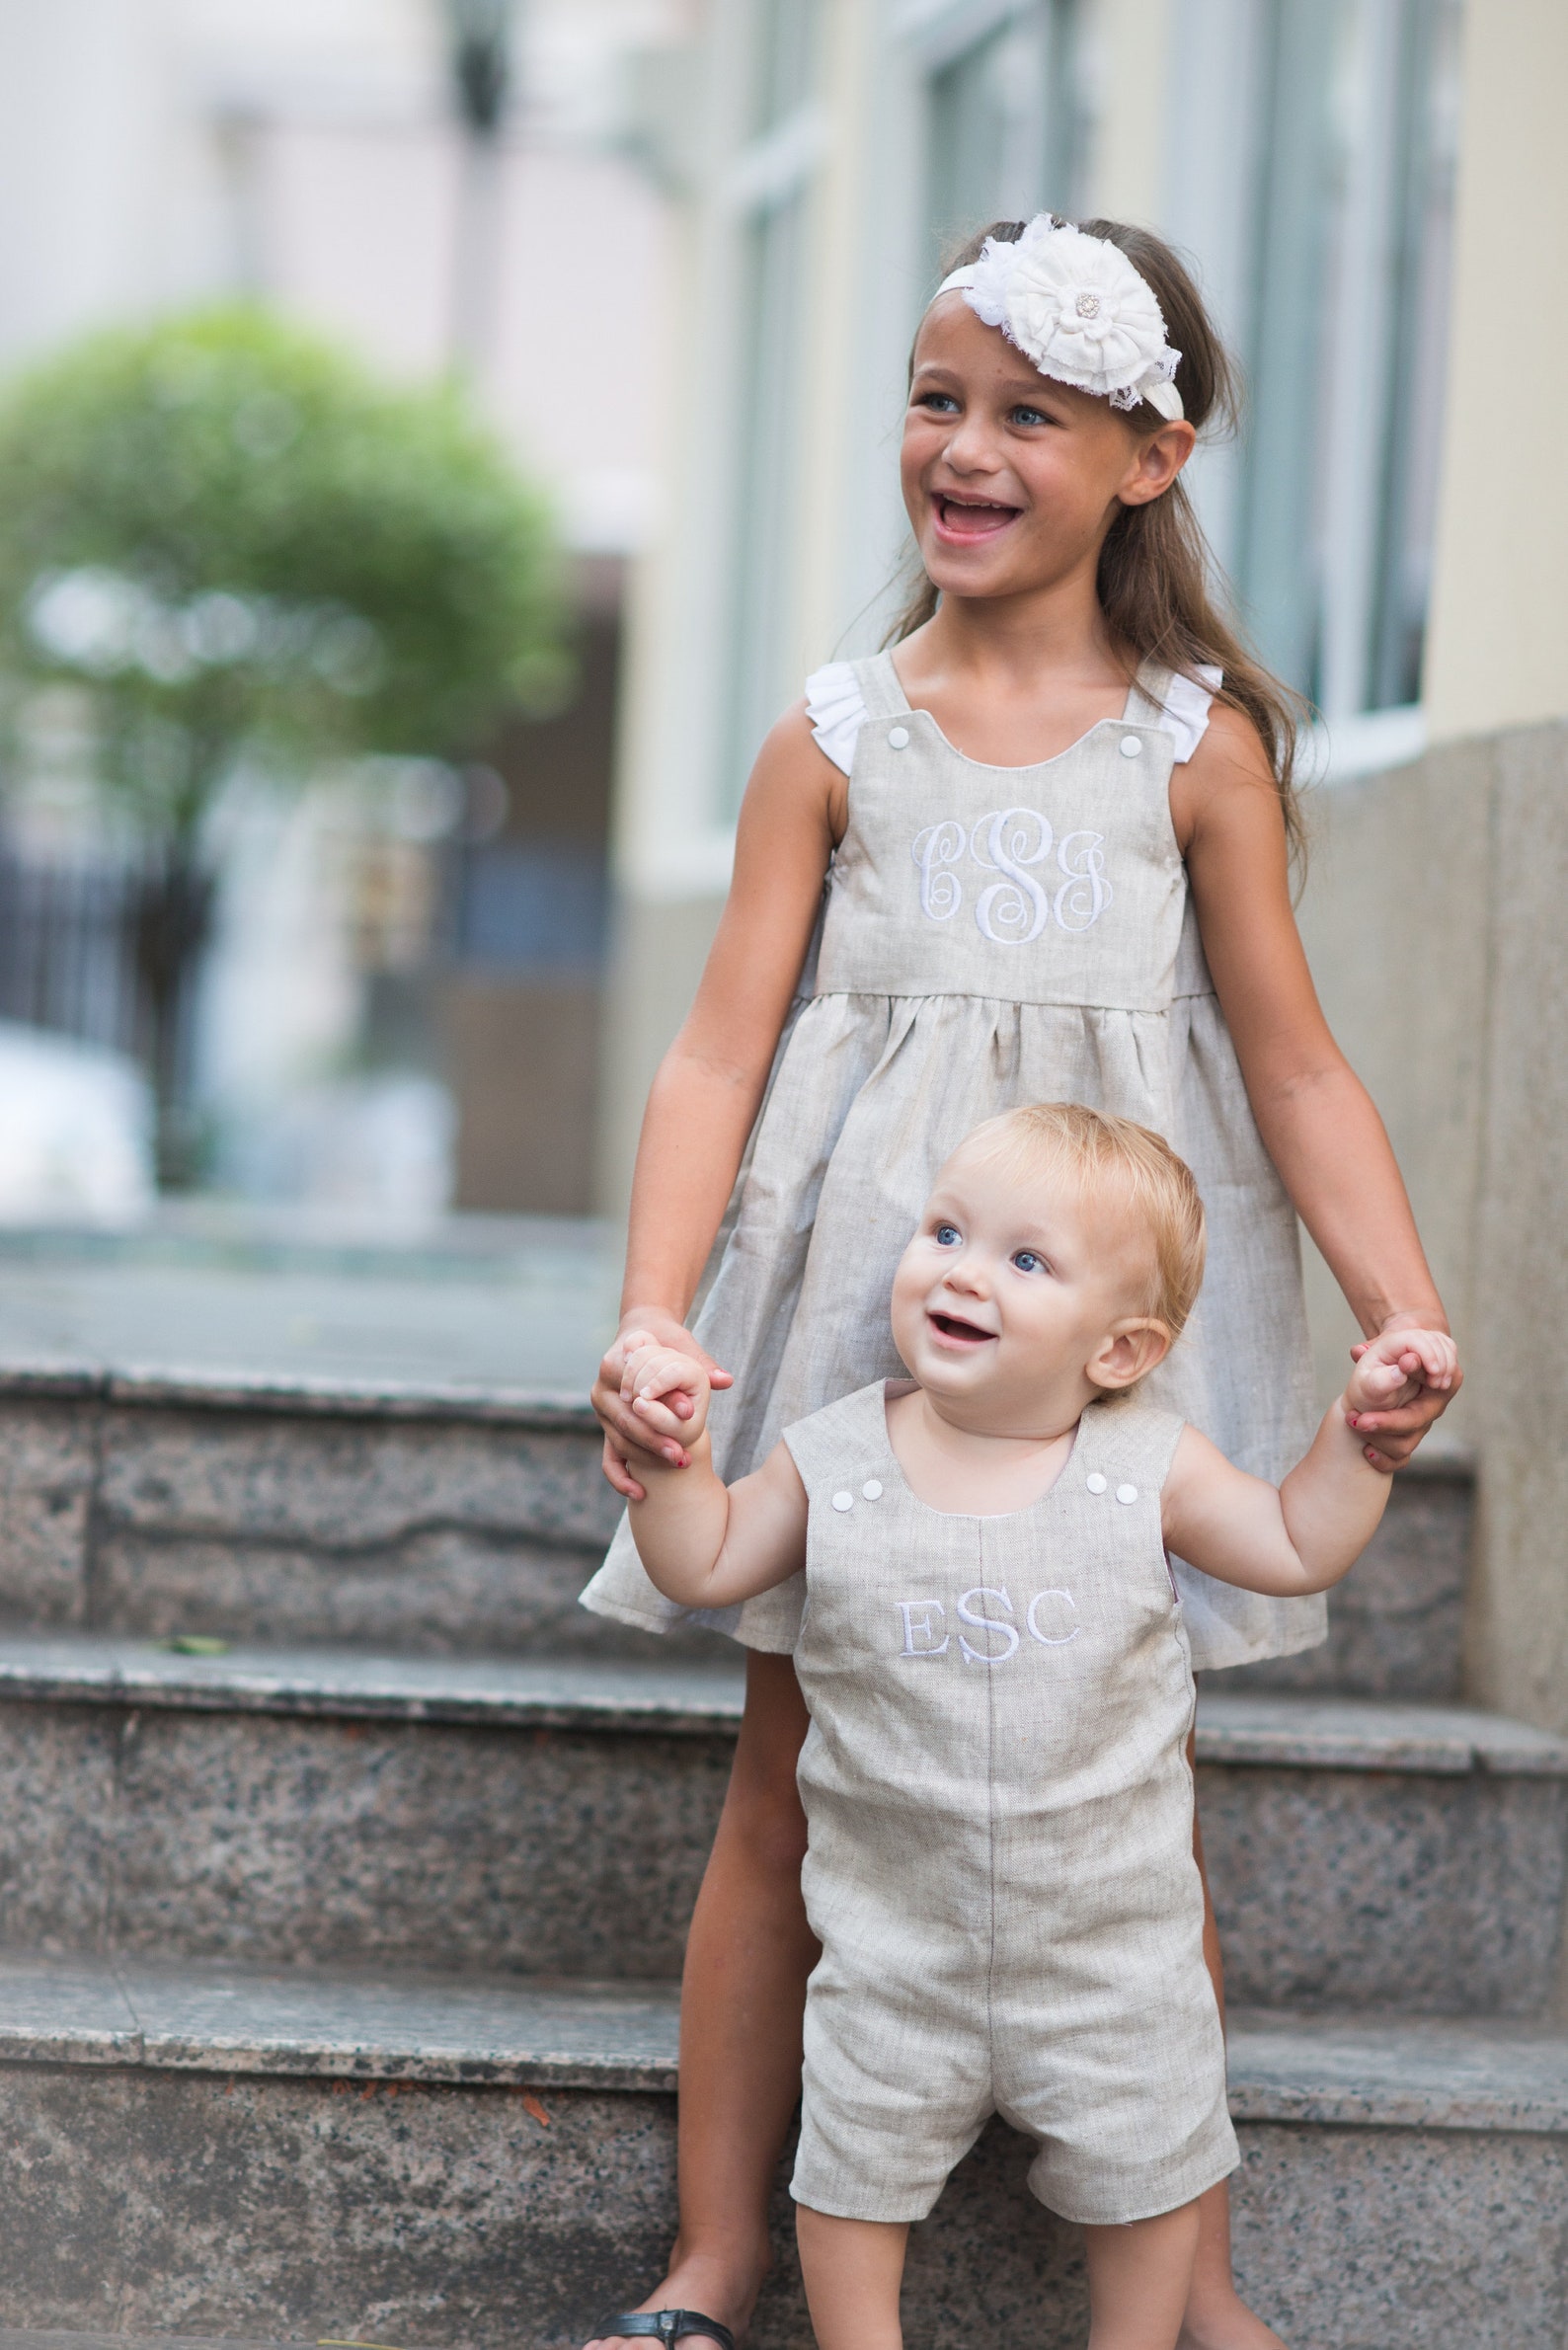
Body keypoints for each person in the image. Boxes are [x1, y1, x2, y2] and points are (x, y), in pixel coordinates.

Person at [583, 213, 1460, 2350]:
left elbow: (1289, 1056)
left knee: (1124, 1776)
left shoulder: (1189, 749)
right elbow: (713, 1045)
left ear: (1144, 459)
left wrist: (1396, 1304)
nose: (957, 450)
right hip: (870, 1314)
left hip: (1092, 1336)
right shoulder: (830, 732)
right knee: (782, 1773)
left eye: (1020, 417)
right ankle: (716, 2262)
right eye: (933, 402)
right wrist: (653, 1305)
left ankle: (1196, 2282)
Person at [611, 1105, 1457, 2350]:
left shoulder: (1147, 1465)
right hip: (894, 1948)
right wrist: (677, 1462)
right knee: (848, 2177)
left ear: (1121, 1349)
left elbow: (1292, 1543)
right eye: (944, 1229)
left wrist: (1359, 1445)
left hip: (1108, 1955)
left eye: (1023, 1259)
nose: (959, 1267)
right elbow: (709, 1561)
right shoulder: (832, 1455)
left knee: (1151, 2169)